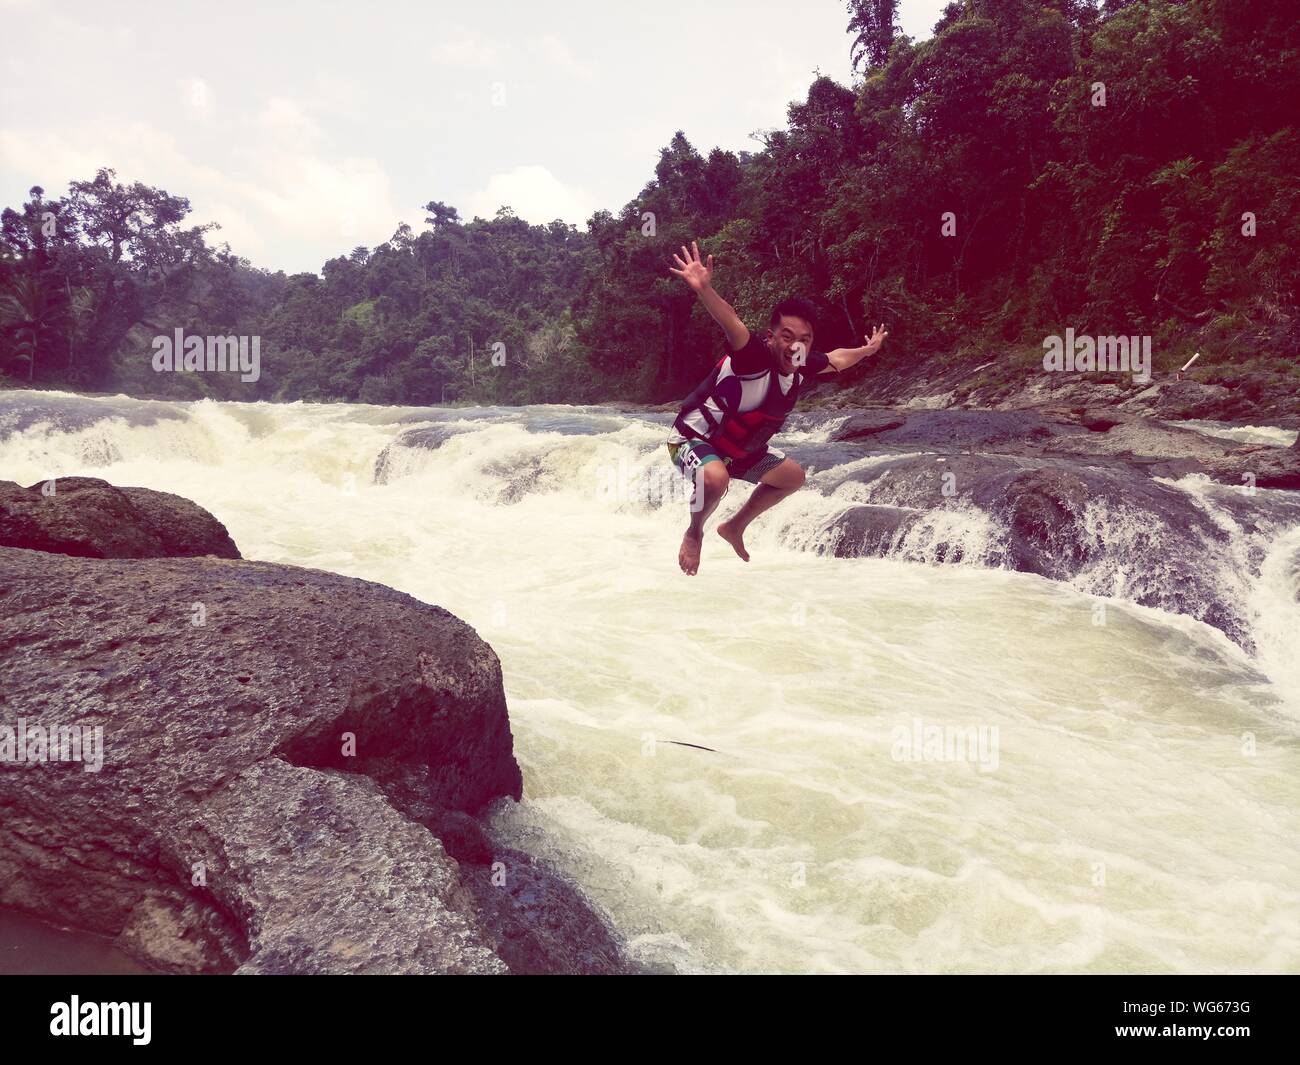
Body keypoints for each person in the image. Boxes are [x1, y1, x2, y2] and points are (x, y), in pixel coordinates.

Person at [666, 241, 887, 574]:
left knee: (792, 477)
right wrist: (705, 290)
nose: (795, 345)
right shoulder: (751, 355)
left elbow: (838, 359)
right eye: (786, 336)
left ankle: (734, 527)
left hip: (739, 451)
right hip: (690, 441)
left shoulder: (801, 363)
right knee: (715, 478)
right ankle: (695, 533)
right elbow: (732, 322)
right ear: (770, 337)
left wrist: (866, 352)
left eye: (804, 339)